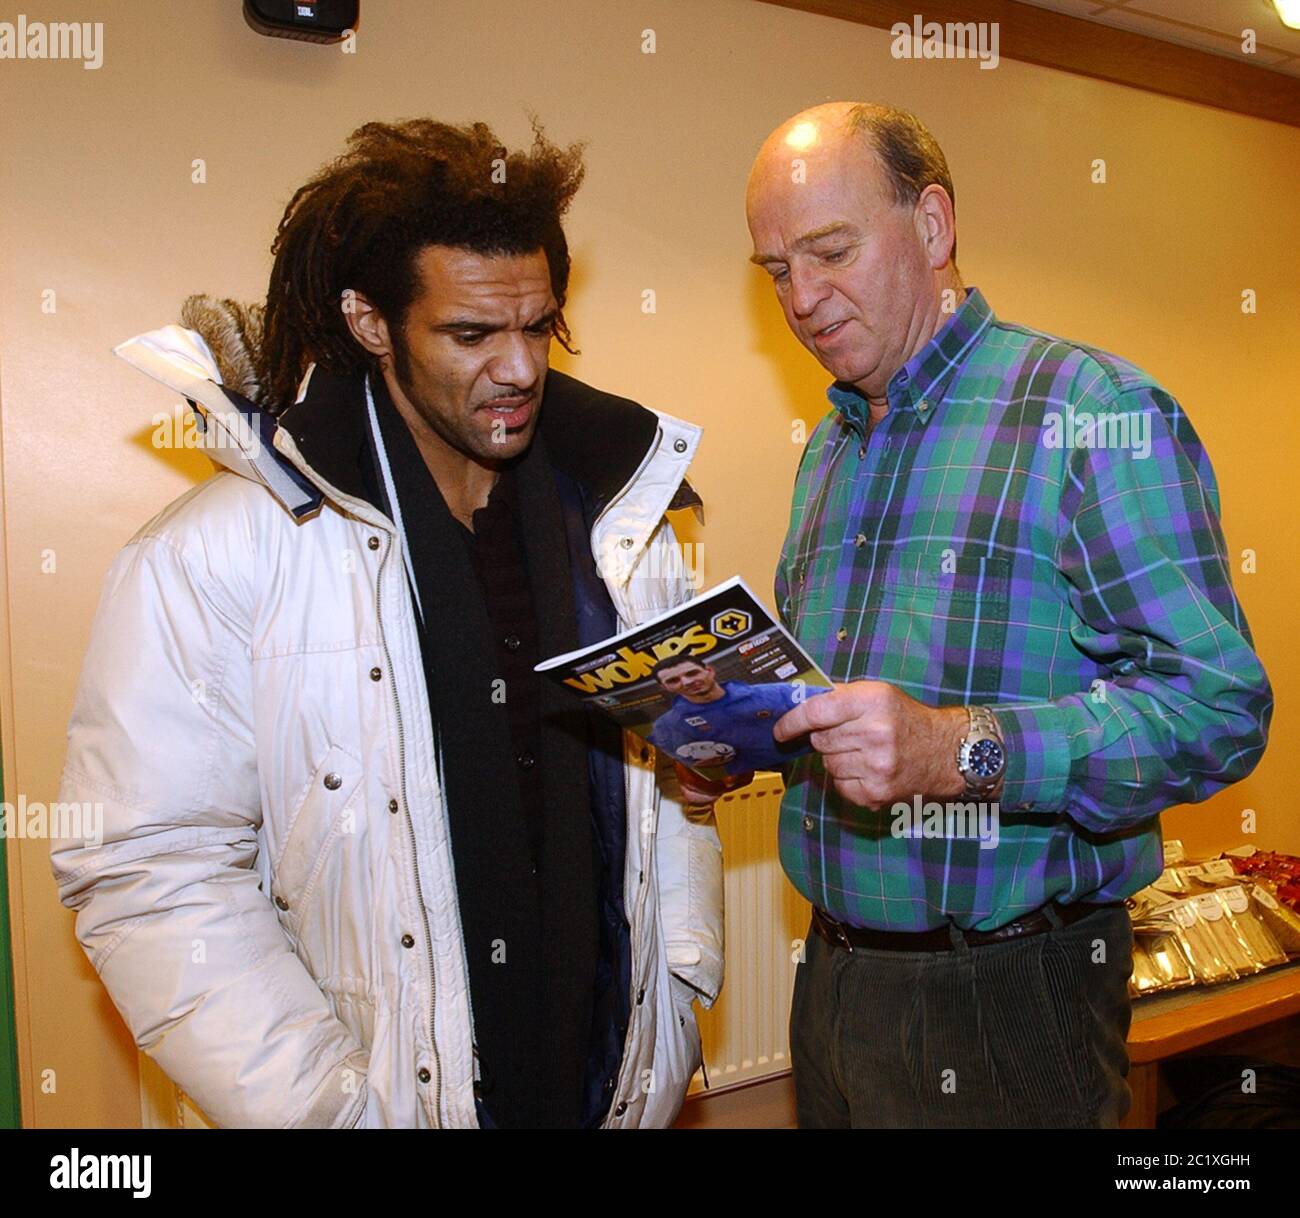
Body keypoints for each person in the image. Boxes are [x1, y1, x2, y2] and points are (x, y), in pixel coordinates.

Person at [50, 118, 723, 1129]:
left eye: (539, 326)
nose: (519, 369)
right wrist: (328, 1113)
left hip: (603, 1088)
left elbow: (655, 796)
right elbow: (149, 872)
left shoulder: (623, 523)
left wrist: (702, 754)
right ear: (371, 323)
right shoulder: (215, 554)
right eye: (471, 335)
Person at [745, 101, 1272, 1128]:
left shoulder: (1097, 413)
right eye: (774, 270)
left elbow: (1217, 711)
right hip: (835, 974)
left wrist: (960, 751)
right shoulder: (832, 442)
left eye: (829, 251)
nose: (801, 299)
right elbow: (869, 720)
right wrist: (739, 734)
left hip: (1007, 988)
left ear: (933, 226)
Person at [648, 657, 828, 776]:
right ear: (665, 688)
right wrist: (691, 772)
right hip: (733, 788)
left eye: (692, 673)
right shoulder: (667, 725)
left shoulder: (774, 693)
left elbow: (830, 700)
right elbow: (664, 769)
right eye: (673, 680)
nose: (686, 682)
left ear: (709, 671)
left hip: (810, 769)